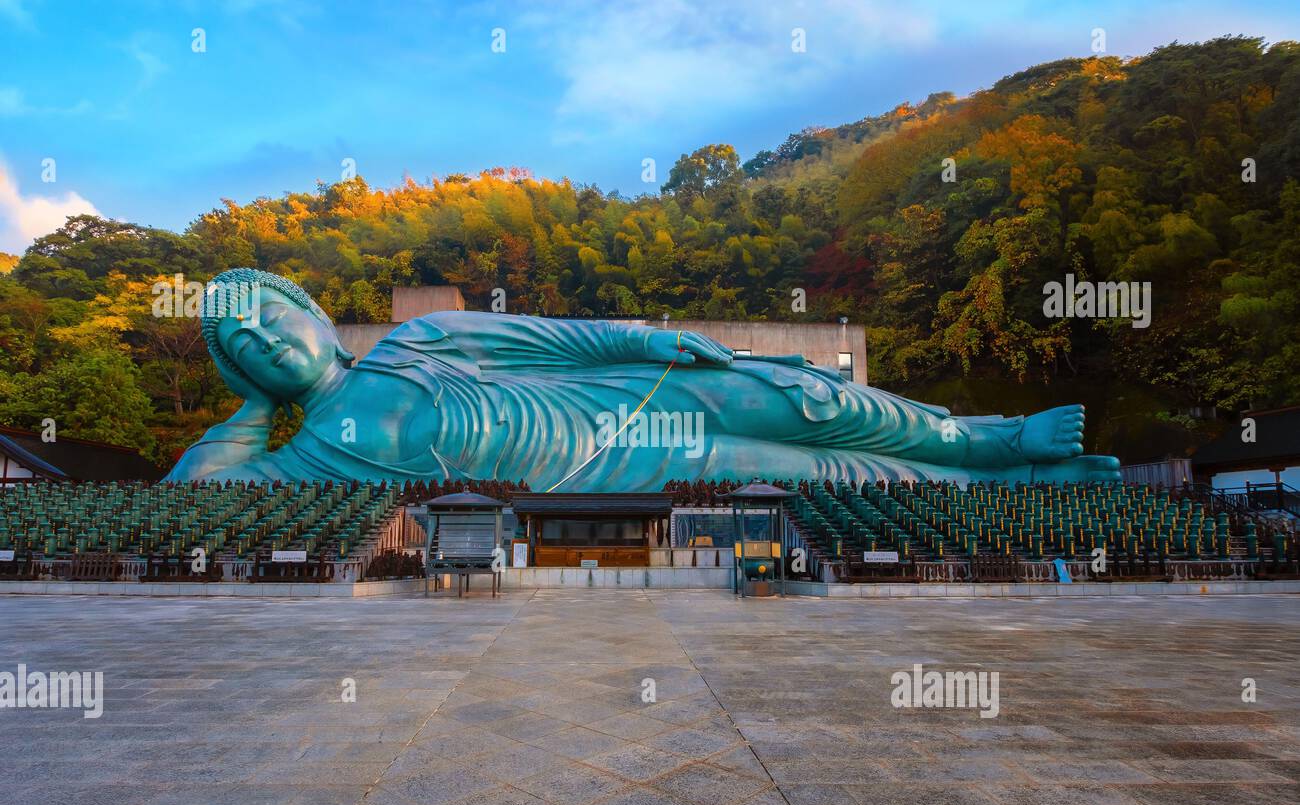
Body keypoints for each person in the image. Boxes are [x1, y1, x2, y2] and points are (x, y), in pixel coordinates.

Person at [165, 268, 1121, 489]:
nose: (255, 338)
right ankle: (1004, 478)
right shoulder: (311, 453)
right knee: (814, 473)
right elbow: (191, 499)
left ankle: (986, 434)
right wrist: (251, 411)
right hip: (609, 472)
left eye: (261, 310)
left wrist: (656, 341)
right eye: (232, 342)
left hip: (626, 399)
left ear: (314, 308)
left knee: (811, 399)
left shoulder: (427, 336)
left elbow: (565, 338)